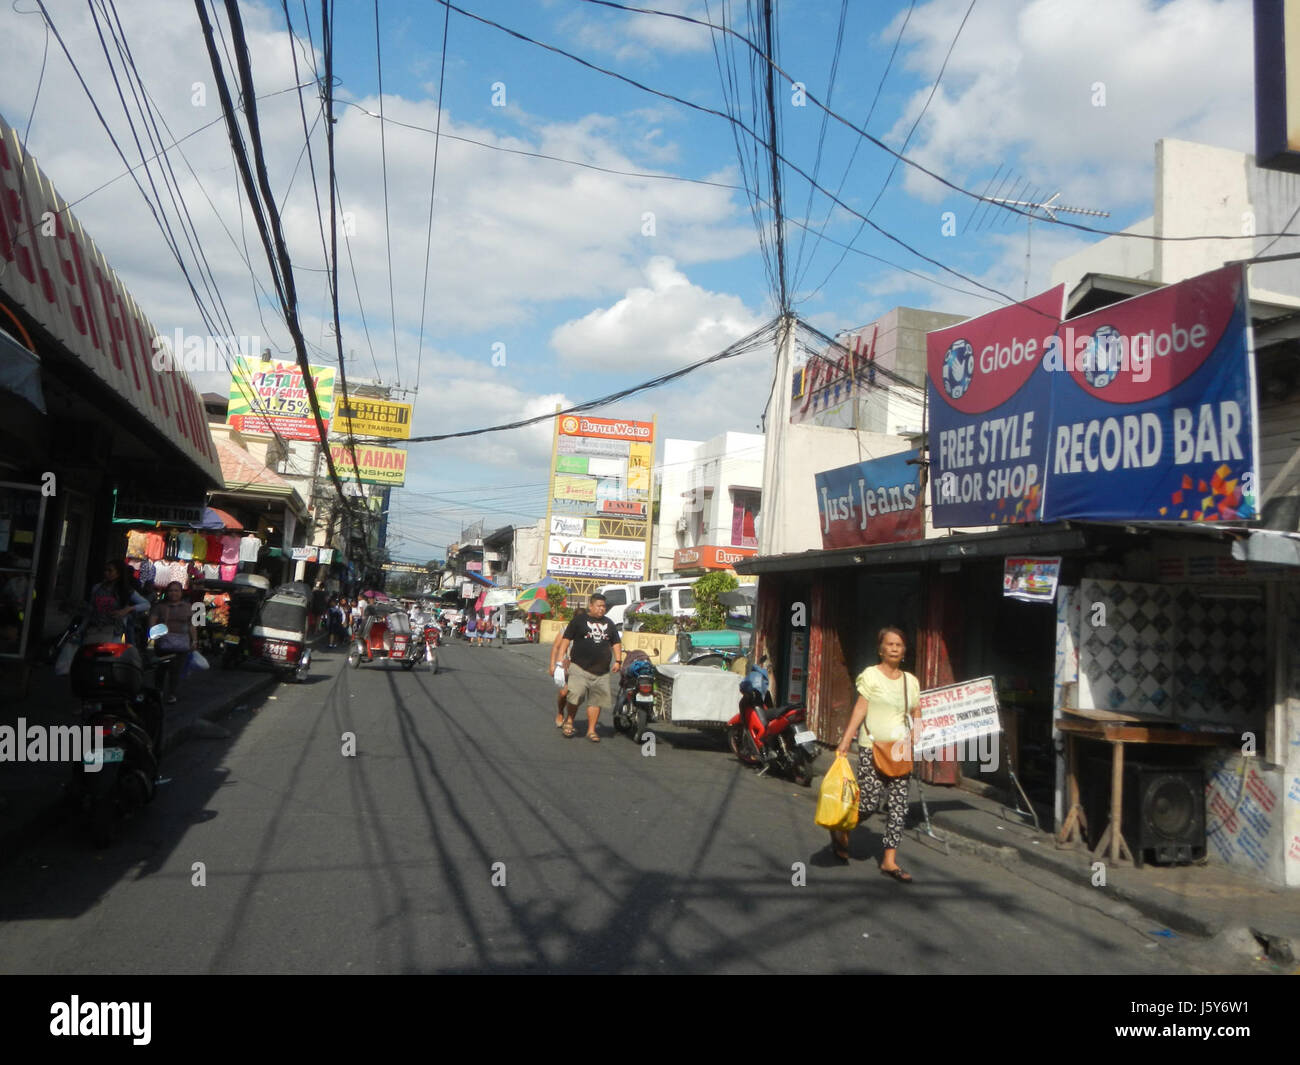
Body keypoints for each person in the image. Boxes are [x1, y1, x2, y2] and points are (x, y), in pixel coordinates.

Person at [833, 627, 921, 882]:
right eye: (889, 644)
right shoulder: (870, 676)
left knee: (897, 807)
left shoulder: (910, 681)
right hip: (871, 747)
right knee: (869, 802)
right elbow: (861, 708)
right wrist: (845, 740)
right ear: (880, 649)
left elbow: (916, 711)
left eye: (899, 645)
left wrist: (916, 734)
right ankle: (842, 828)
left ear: (904, 651)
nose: (894, 648)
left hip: (900, 750)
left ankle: (889, 861)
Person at [554, 593, 621, 742]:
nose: (602, 609)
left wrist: (618, 660)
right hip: (579, 667)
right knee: (575, 695)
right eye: (599, 606)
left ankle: (591, 731)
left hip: (601, 671)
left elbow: (616, 642)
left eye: (604, 606)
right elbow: (566, 639)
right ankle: (570, 720)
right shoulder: (579, 621)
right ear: (591, 606)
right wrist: (560, 659)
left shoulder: (609, 624)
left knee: (596, 701)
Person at [149, 580, 197, 705]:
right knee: (161, 669)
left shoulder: (187, 607)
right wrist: (154, 636)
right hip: (163, 643)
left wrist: (194, 640)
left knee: (176, 671)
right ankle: (158, 691)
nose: (173, 593)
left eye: (176, 590)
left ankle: (172, 694)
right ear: (167, 592)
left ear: (181, 592)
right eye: (171, 590)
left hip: (181, 644)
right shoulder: (160, 606)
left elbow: (192, 625)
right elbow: (152, 621)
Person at [84, 560, 150, 644]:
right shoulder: (97, 588)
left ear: (118, 573)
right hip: (94, 629)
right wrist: (81, 629)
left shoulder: (125, 590)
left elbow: (146, 604)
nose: (106, 573)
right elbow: (90, 610)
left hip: (114, 632)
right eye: (105, 570)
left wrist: (127, 609)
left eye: (110, 571)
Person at [548, 606, 587, 729]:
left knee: (577, 696)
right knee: (564, 692)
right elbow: (555, 647)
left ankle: (570, 719)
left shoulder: (589, 631)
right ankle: (560, 712)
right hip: (566, 665)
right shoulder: (566, 629)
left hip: (582, 667)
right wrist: (552, 665)